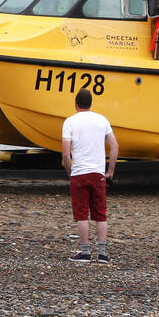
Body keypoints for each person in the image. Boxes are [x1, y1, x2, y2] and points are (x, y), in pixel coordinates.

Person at [61, 88, 118, 263]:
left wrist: (70, 172)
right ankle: (102, 254)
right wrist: (110, 171)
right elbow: (115, 147)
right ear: (91, 103)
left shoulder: (70, 122)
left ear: (76, 104)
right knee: (100, 214)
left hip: (79, 173)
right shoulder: (102, 120)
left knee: (81, 214)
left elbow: (65, 153)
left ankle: (85, 252)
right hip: (98, 173)